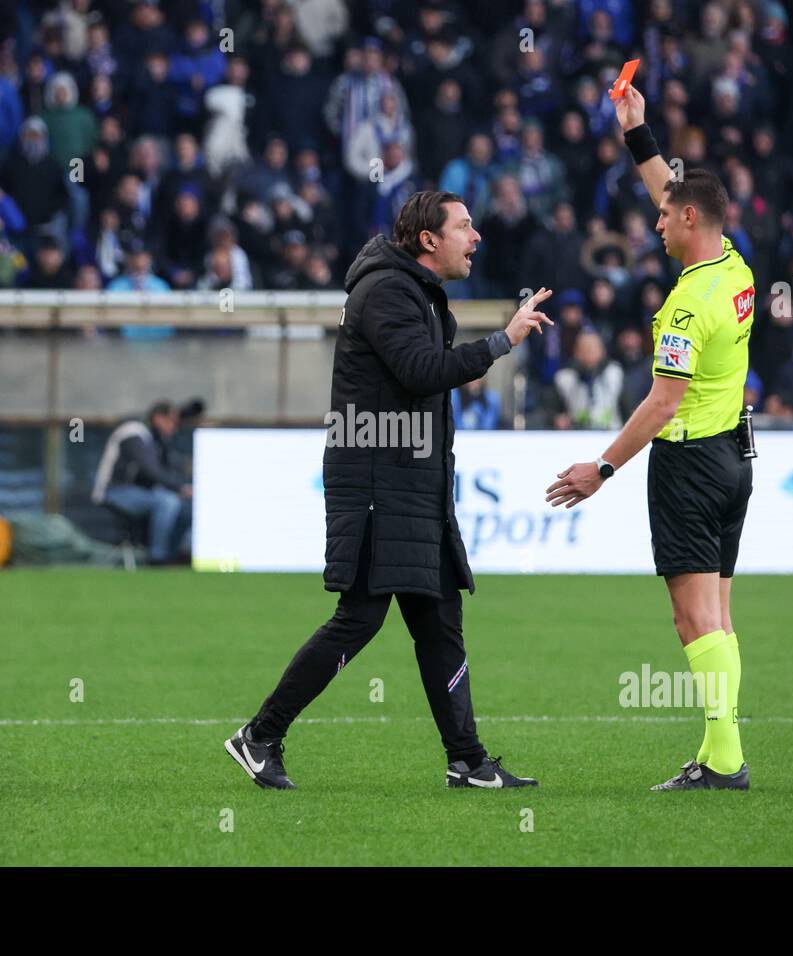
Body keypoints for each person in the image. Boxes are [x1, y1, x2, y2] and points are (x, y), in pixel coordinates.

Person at [225, 190, 551, 790]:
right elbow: (422, 372)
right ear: (429, 240)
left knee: (438, 620)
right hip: (377, 480)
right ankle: (260, 735)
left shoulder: (411, 290)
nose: (476, 237)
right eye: (465, 226)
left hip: (408, 480)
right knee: (361, 617)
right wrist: (501, 342)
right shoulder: (387, 291)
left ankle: (468, 761)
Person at [545, 85, 755, 791]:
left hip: (691, 465)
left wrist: (599, 470)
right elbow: (677, 185)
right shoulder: (733, 265)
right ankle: (721, 752)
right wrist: (637, 134)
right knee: (718, 615)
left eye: (665, 216)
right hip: (734, 456)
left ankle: (723, 761)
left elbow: (663, 403)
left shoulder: (685, 307)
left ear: (690, 219)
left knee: (694, 622)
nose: (655, 223)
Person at [91, 402, 192, 565]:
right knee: (167, 501)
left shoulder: (154, 438)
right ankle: (157, 558)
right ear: (159, 419)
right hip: (114, 491)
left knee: (183, 507)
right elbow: (150, 469)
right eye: (172, 422)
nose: (174, 428)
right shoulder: (133, 432)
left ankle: (173, 555)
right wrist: (181, 487)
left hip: (135, 491)